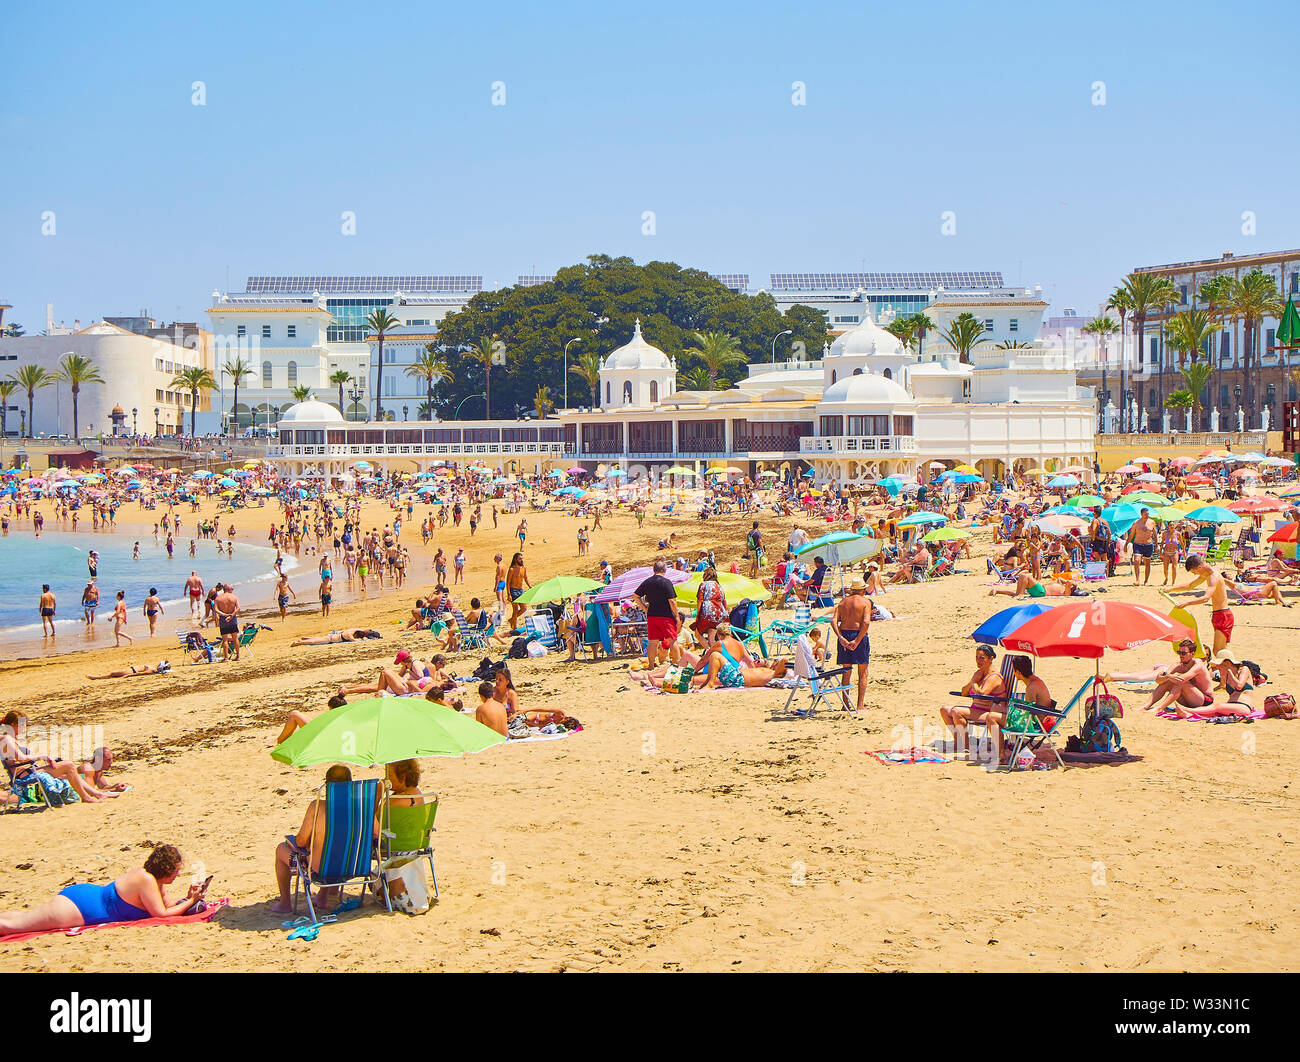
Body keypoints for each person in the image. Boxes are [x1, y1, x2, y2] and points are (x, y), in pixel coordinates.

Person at [0, 845, 207, 935]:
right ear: (166, 868)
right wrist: (190, 903)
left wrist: (188, 897)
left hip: (82, 899)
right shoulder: (145, 879)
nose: (178, 875)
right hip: (78, 908)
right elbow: (160, 914)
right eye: (177, 871)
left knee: (20, 918)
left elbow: (169, 907)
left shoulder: (153, 880)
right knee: (16, 926)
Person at [271, 765, 379, 914]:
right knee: (339, 848)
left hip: (320, 870)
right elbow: (377, 834)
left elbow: (301, 842)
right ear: (350, 784)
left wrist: (295, 842)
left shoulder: (318, 807)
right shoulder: (362, 807)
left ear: (328, 785)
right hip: (354, 867)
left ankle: (285, 903)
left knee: (281, 849)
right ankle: (323, 896)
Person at [1, 711, 122, 803]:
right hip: (23, 775)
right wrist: (42, 756)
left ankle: (97, 794)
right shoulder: (6, 739)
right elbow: (21, 758)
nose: (25, 728)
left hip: (29, 771)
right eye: (22, 725)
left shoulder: (12, 739)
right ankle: (86, 797)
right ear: (13, 724)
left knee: (70, 770)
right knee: (69, 766)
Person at [940, 644, 1007, 759]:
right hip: (977, 710)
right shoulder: (980, 674)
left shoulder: (994, 677)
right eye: (976, 657)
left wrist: (975, 683)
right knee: (944, 709)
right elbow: (964, 692)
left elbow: (981, 695)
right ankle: (958, 742)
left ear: (990, 659)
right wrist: (973, 680)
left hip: (988, 713)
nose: (978, 661)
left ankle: (965, 746)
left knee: (957, 711)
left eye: (982, 658)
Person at [1170, 555, 1234, 655]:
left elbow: (1206, 598)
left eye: (1194, 572)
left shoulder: (1213, 576)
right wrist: (1170, 589)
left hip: (1223, 615)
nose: (1195, 574)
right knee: (1220, 650)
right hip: (1218, 614)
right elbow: (1190, 585)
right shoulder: (1206, 574)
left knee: (1219, 651)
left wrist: (1186, 603)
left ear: (1199, 567)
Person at [829, 574, 871, 711]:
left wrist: (841, 638)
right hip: (858, 635)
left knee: (846, 672)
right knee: (863, 672)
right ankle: (860, 705)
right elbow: (865, 623)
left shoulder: (842, 602)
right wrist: (858, 640)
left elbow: (833, 621)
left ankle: (845, 704)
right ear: (862, 590)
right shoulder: (865, 602)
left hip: (845, 635)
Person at [1137, 638, 1213, 713]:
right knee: (1166, 681)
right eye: (1179, 652)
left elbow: (1181, 679)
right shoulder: (1178, 665)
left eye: (1184, 653)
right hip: (1188, 700)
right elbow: (1158, 680)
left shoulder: (1197, 664)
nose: (1181, 655)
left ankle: (1159, 708)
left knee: (1179, 681)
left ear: (1192, 654)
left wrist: (1168, 676)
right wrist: (1167, 676)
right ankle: (1146, 706)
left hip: (1205, 701)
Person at [634, 558, 681, 672]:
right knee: (672, 640)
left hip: (652, 615)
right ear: (664, 570)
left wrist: (644, 608)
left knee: (652, 641)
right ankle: (678, 663)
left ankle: (651, 665)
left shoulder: (647, 582)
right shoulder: (666, 582)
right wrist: (677, 616)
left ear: (654, 570)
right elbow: (672, 601)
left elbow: (635, 596)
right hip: (666, 616)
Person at [692, 566, 727, 642]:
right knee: (711, 637)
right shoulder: (719, 586)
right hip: (720, 613)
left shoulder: (703, 585)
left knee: (698, 635)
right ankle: (712, 651)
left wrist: (698, 614)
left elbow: (700, 600)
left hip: (708, 613)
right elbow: (724, 601)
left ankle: (709, 651)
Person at [1128, 508, 1156, 585]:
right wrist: (1126, 544)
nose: (1147, 515)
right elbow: (1131, 535)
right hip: (1138, 544)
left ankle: (1146, 580)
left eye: (1148, 514)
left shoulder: (1152, 522)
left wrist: (1156, 545)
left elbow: (1155, 534)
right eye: (1145, 514)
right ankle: (1137, 580)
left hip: (1148, 544)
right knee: (1137, 560)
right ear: (1141, 514)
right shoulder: (1136, 523)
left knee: (1147, 563)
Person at [214, 583, 241, 660]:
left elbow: (216, 609)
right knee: (235, 638)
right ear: (228, 589)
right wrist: (231, 615)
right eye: (232, 589)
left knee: (225, 639)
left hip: (223, 619)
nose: (232, 590)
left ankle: (226, 658)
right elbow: (238, 608)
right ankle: (238, 656)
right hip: (232, 618)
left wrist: (224, 615)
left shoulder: (218, 598)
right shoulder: (234, 597)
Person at [506, 552, 531, 630]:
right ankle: (514, 627)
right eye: (520, 559)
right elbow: (508, 582)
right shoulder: (511, 570)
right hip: (513, 591)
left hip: (520, 590)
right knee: (515, 610)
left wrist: (530, 586)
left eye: (522, 558)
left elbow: (526, 578)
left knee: (524, 609)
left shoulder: (523, 568)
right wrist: (509, 594)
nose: (522, 560)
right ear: (516, 559)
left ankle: (512, 620)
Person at [87, 661, 172, 680]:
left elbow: (140, 674)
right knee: (112, 674)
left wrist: (129, 675)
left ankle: (95, 677)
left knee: (113, 673)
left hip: (132, 671)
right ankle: (101, 676)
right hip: (131, 670)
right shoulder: (153, 669)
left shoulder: (152, 671)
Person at [290, 628, 382, 645]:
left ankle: (306, 638)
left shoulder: (353, 630)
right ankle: (300, 643)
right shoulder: (349, 635)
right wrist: (361, 641)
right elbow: (354, 641)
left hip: (333, 635)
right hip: (331, 639)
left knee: (319, 638)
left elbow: (364, 630)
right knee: (314, 642)